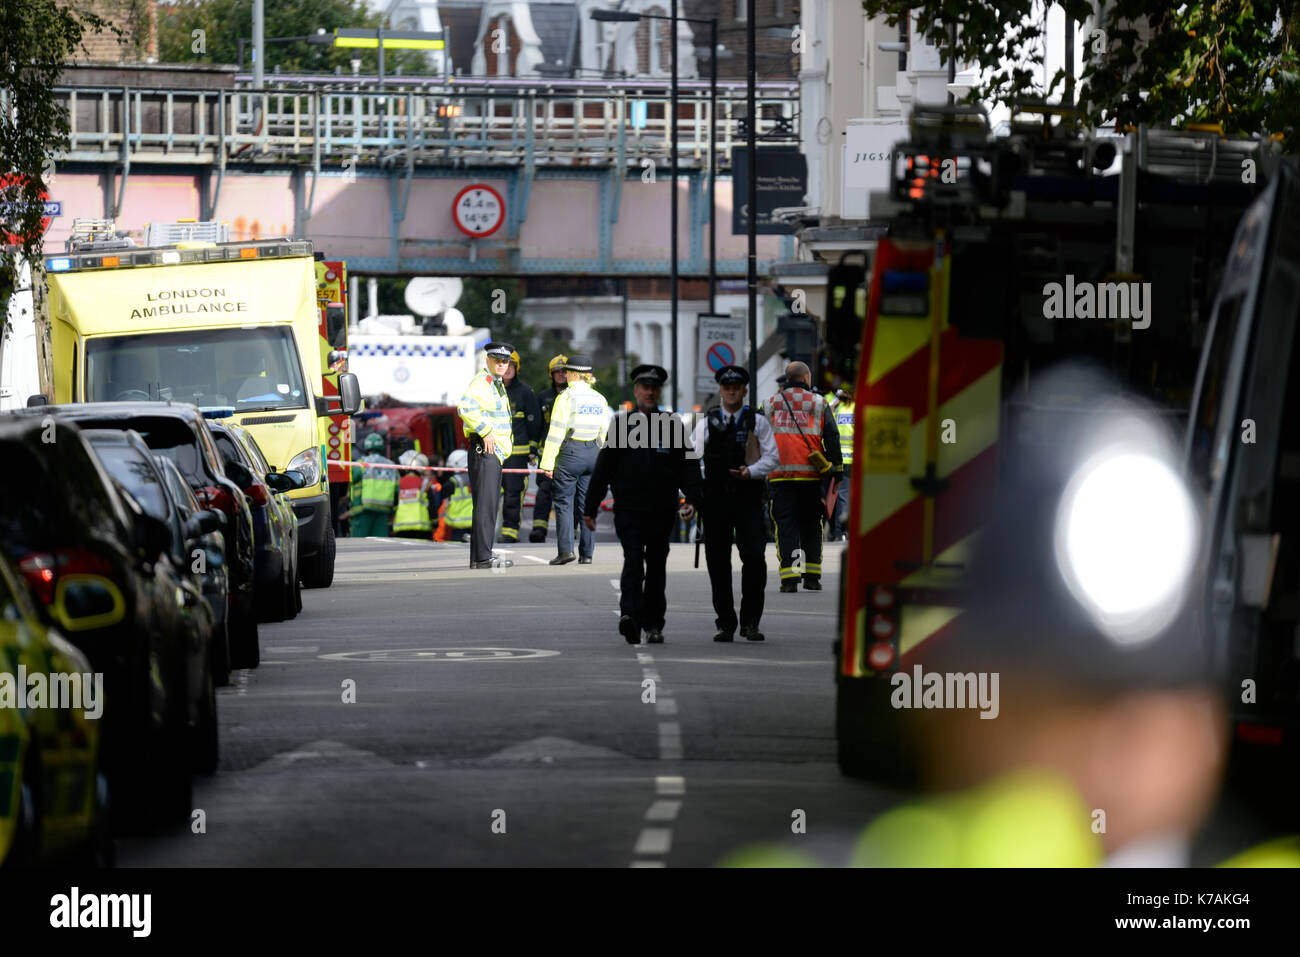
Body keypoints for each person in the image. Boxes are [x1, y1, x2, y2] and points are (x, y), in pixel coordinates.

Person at [586, 364, 703, 645]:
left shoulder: (673, 423)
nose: (649, 392)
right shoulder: (622, 424)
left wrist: (693, 501)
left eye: (654, 388)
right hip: (629, 509)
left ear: (658, 391)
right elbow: (604, 469)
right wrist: (590, 507)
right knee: (633, 562)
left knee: (657, 567)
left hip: (662, 509)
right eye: (644, 387)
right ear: (636, 390)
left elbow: (687, 468)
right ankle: (630, 617)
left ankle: (654, 623)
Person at [691, 365, 780, 642]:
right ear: (720, 391)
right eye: (726, 387)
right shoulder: (708, 422)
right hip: (715, 500)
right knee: (718, 564)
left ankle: (750, 623)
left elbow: (772, 457)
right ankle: (725, 623)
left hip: (748, 498)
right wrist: (690, 498)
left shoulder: (757, 421)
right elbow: (690, 460)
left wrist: (750, 472)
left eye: (736, 387)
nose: (731, 391)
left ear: (744, 390)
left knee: (754, 559)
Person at [763, 361, 842, 592]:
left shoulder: (769, 404)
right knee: (811, 525)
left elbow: (758, 437)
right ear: (806, 378)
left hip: (780, 477)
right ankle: (812, 577)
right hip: (811, 478)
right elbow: (832, 436)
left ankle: (790, 579)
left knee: (786, 526)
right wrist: (836, 468)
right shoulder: (819, 403)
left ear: (787, 379)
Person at [539, 355, 610, 565]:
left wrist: (547, 463)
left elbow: (556, 432)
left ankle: (565, 551)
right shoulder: (600, 399)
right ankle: (587, 554)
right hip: (593, 453)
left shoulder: (566, 397)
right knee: (586, 505)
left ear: (573, 374)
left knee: (563, 503)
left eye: (567, 372)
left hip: (571, 453)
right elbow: (604, 432)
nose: (565, 375)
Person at [458, 341, 515, 569]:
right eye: (498, 360)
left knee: (484, 504)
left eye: (505, 361)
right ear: (488, 360)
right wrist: (486, 431)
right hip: (486, 450)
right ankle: (483, 557)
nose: (502, 364)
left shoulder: (495, 383)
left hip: (490, 452)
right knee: (487, 506)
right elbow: (465, 408)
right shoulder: (484, 382)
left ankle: (478, 557)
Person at [499, 350, 542, 544]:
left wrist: (532, 448)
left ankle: (510, 531)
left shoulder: (525, 392)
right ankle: (486, 530)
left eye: (512, 366)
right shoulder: (492, 390)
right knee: (490, 493)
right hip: (494, 452)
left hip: (517, 453)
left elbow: (535, 422)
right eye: (505, 365)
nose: (508, 369)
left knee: (512, 493)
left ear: (517, 369)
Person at [530, 355, 570, 542]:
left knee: (570, 491)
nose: (561, 375)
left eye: (564, 371)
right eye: (557, 372)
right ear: (551, 374)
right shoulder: (543, 397)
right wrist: (532, 448)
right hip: (547, 452)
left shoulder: (574, 395)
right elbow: (537, 425)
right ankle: (539, 529)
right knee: (544, 492)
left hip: (570, 451)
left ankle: (573, 530)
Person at [349, 431, 398, 538]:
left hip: (363, 510)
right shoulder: (392, 466)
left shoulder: (361, 463)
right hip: (383, 511)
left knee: (358, 544)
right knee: (380, 545)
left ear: (366, 447)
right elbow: (397, 490)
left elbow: (350, 479)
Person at [826, 386, 854, 541]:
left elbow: (825, 416)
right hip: (852, 460)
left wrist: (835, 400)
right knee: (846, 496)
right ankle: (843, 531)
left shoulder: (835, 407)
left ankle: (839, 532)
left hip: (838, 459)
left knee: (839, 496)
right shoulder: (856, 407)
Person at [391, 450, 436, 540]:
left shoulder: (399, 483)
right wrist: (435, 523)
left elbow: (394, 505)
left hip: (401, 528)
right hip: (422, 528)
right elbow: (432, 506)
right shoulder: (425, 483)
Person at [435, 448, 473, 543]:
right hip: (476, 523)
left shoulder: (453, 481)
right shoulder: (479, 477)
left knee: (456, 553)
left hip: (458, 526)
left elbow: (442, 495)